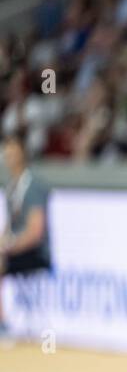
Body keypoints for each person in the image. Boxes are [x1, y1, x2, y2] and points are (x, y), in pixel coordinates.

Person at [1, 129, 52, 336]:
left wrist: (7, 247)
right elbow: (9, 227)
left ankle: (2, 323)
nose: (7, 155)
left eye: (12, 150)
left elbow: (35, 233)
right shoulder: (12, 186)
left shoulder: (33, 187)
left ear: (22, 153)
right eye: (6, 150)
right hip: (16, 251)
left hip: (36, 254)